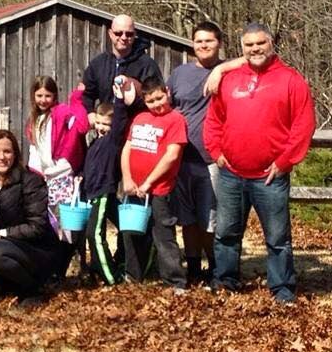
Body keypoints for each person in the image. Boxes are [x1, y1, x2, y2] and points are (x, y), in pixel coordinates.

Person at [204, 23, 316, 304]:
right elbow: (214, 120)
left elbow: (303, 125)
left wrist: (285, 161)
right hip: (231, 174)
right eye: (249, 45)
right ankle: (225, 281)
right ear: (241, 49)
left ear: (271, 44)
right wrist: (216, 151)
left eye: (260, 43)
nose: (255, 49)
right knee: (226, 233)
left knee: (278, 238)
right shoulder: (228, 80)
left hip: (270, 176)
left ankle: (282, 289)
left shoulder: (291, 80)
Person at [166, 21, 243, 286]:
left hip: (212, 158)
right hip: (181, 158)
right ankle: (194, 267)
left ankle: (217, 268)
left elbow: (255, 58)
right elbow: (168, 106)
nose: (203, 45)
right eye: (198, 41)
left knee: (210, 218)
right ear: (192, 44)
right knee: (187, 219)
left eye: (209, 41)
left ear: (219, 43)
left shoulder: (232, 72)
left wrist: (221, 68)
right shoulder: (180, 74)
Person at [0, 130, 62, 307]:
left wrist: (3, 233)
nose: (2, 157)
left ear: (15, 154)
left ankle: (33, 289)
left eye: (7, 151)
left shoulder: (30, 181)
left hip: (36, 249)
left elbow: (37, 226)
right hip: (5, 245)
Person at [120, 76, 188, 291]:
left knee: (163, 235)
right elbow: (127, 149)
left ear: (167, 92)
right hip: (133, 187)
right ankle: (133, 276)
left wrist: (149, 182)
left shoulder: (175, 120)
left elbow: (172, 155)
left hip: (159, 188)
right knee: (131, 232)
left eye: (159, 98)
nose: (157, 105)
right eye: (151, 101)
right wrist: (127, 178)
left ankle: (175, 281)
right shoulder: (140, 118)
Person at [24, 76, 90, 273]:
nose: (43, 100)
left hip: (62, 173)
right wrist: (34, 173)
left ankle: (66, 265)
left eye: (48, 95)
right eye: (39, 95)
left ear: (55, 96)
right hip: (43, 176)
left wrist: (77, 99)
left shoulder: (62, 112)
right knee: (49, 223)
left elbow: (82, 126)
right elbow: (34, 149)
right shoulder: (34, 120)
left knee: (66, 224)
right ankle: (52, 266)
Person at [82, 96, 130, 286]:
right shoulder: (94, 142)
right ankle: (105, 265)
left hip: (103, 192)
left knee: (93, 234)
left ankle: (111, 277)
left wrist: (119, 97)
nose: (101, 127)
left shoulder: (113, 141)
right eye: (99, 123)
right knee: (123, 226)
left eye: (106, 124)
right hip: (93, 194)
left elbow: (120, 119)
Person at [81, 14, 162, 126]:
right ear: (110, 34)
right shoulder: (98, 64)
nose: (123, 37)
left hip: (135, 130)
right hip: (107, 130)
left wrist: (134, 97)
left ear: (135, 35)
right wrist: (89, 113)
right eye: (118, 33)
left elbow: (157, 98)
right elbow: (86, 94)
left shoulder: (147, 65)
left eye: (129, 34)